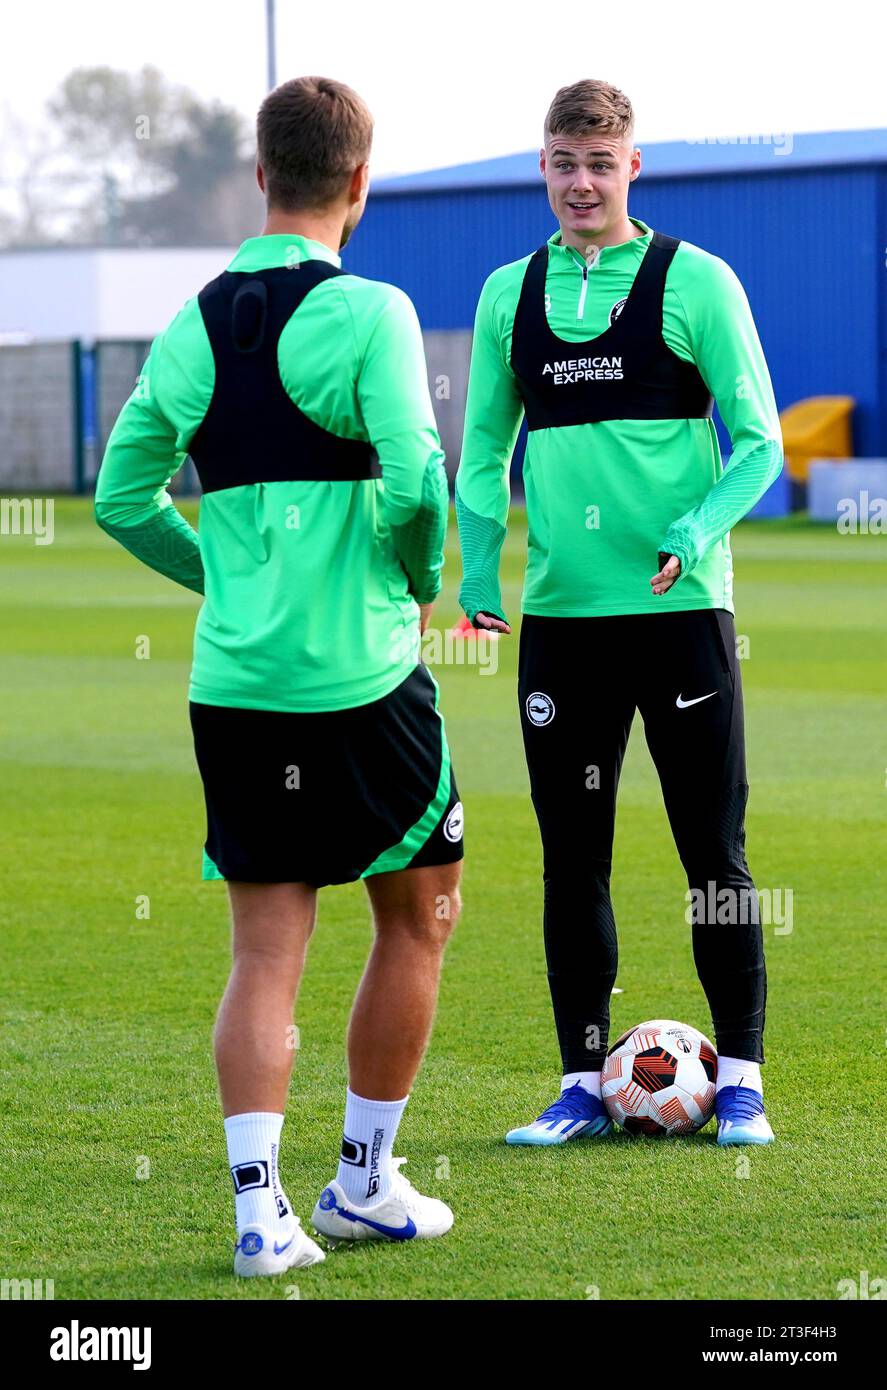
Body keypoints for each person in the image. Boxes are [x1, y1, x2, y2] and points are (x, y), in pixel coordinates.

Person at [95, 76, 463, 1275]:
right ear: (359, 182)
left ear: (260, 176)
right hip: (363, 677)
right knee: (420, 908)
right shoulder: (374, 311)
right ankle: (362, 1181)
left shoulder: (191, 321)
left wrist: (224, 584)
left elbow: (118, 500)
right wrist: (414, 581)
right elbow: (416, 481)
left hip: (235, 687)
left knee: (266, 951)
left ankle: (260, 1219)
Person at [456, 79, 782, 1148]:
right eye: (561, 162)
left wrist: (690, 532)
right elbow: (481, 455)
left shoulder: (697, 282)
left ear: (631, 167)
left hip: (681, 612)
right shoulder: (509, 292)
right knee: (570, 859)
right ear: (541, 167)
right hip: (564, 624)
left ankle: (738, 1079)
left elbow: (759, 443)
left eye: (599, 163)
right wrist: (474, 574)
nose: (579, 182)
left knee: (713, 856)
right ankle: (576, 1080)